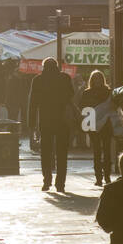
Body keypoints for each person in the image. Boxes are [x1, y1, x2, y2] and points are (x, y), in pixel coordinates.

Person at [27, 57, 74, 192]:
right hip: (62, 120)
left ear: (43, 67)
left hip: (45, 120)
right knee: (62, 153)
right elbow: (71, 94)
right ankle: (60, 183)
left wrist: (31, 124)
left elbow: (33, 103)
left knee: (46, 152)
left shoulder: (38, 80)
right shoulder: (65, 78)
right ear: (57, 66)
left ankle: (47, 180)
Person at [80, 70, 114, 186]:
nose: (97, 81)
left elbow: (83, 109)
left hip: (99, 124)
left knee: (102, 151)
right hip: (101, 124)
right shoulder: (108, 92)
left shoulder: (87, 93)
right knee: (100, 151)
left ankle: (104, 176)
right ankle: (101, 177)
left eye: (99, 79)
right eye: (96, 79)